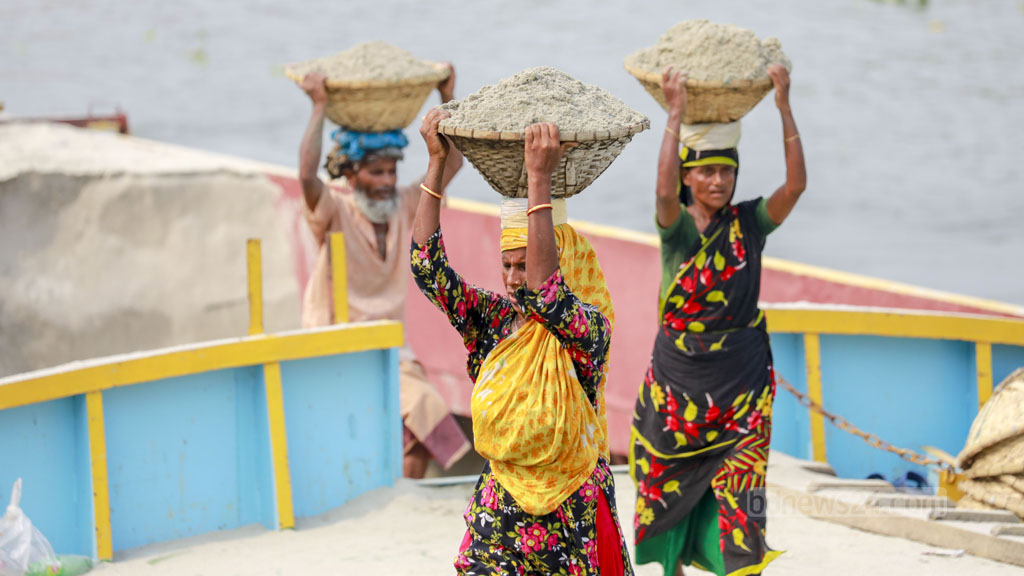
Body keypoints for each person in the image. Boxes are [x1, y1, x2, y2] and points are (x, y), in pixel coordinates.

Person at [411, 110, 633, 575]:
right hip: (501, 512)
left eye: (525, 263)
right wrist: (436, 166)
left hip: (567, 518)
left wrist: (538, 180)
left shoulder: (586, 332)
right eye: (508, 265)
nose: (516, 280)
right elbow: (428, 270)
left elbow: (548, 295)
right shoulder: (492, 322)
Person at [630, 63, 807, 576]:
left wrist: (784, 106)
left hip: (742, 396)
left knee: (746, 502)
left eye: (726, 170)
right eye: (705, 171)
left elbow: (795, 186)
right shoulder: (677, 232)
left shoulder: (750, 223)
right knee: (664, 497)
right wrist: (675, 115)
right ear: (687, 175)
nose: (717, 181)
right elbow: (662, 196)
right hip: (677, 397)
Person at [297, 65, 470, 479]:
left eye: (392, 171)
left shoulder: (403, 206)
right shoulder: (336, 210)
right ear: (351, 174)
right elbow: (306, 175)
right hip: (337, 345)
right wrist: (319, 105)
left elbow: (452, 165)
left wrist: (447, 96)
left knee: (429, 426)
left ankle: (405, 502)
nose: (387, 182)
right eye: (376, 172)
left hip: (392, 351)